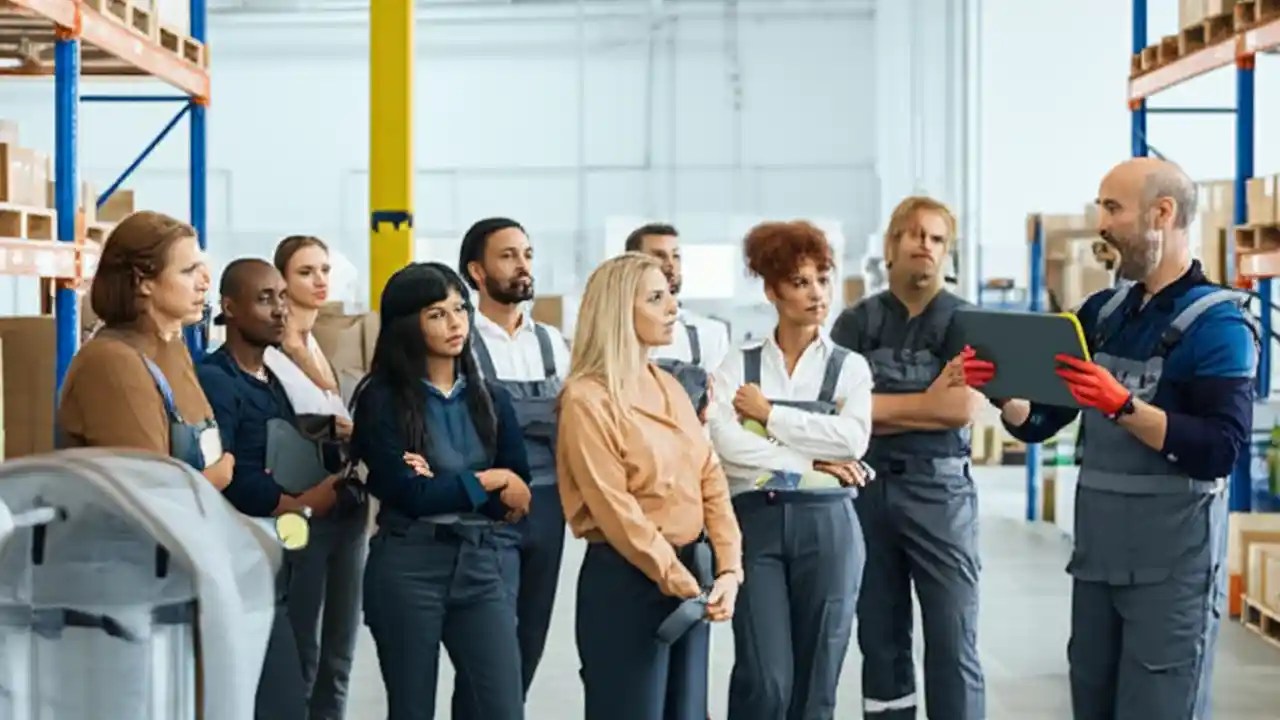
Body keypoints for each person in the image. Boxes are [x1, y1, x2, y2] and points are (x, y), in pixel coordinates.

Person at [965, 158, 1258, 720]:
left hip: (1172, 571)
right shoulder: (1102, 314)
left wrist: (1122, 406)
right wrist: (1003, 392)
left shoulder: (1219, 323)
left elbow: (1221, 449)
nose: (1101, 222)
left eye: (1112, 208)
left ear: (1163, 214)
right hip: (1097, 561)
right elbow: (1041, 422)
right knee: (1092, 706)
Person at [557, 251, 743, 720]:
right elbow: (614, 508)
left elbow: (710, 479)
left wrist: (728, 572)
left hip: (689, 577)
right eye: (656, 298)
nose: (673, 308)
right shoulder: (587, 399)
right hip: (627, 581)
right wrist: (675, 578)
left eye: (670, 296)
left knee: (688, 711)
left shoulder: (671, 386)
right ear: (620, 309)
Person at [351, 262, 533, 720]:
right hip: (408, 567)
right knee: (412, 709)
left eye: (460, 309)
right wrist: (486, 479)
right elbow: (409, 495)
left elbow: (518, 493)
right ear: (406, 323)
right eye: (436, 314)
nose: (455, 324)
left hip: (481, 562)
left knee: (503, 706)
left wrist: (448, 483)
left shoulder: (492, 398)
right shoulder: (381, 398)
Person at [708, 221, 873, 720]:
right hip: (756, 524)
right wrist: (812, 463)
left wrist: (769, 416)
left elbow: (852, 439)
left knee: (818, 683)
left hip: (830, 526)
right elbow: (725, 444)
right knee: (765, 680)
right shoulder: (737, 364)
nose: (816, 293)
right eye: (800, 282)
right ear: (771, 290)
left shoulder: (850, 367)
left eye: (822, 279)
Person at [829, 196, 986, 720]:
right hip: (866, 494)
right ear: (891, 246)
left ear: (946, 254)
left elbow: (959, 408)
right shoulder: (855, 324)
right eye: (915, 234)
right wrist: (925, 403)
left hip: (941, 496)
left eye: (937, 239)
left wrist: (873, 409)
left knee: (951, 636)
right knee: (879, 636)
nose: (925, 245)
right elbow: (836, 411)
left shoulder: (966, 322)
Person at [196, 258, 344, 720]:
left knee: (306, 658)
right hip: (250, 543)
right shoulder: (217, 380)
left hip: (287, 542)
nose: (281, 309)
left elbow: (279, 438)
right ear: (229, 308)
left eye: (282, 297)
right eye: (265, 299)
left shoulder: (273, 376)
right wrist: (299, 507)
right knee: (274, 683)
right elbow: (234, 470)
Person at [457, 218, 571, 703]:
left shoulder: (552, 342)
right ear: (476, 272)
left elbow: (574, 422)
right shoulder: (460, 342)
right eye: (507, 255)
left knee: (528, 643)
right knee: (489, 652)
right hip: (488, 509)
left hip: (550, 508)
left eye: (526, 253)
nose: (522, 265)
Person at [57, 210, 233, 490]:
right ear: (143, 282)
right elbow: (149, 497)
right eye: (189, 271)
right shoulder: (111, 363)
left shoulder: (173, 348)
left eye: (202, 268)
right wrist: (216, 479)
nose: (205, 283)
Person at [269, 235, 366, 720]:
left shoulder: (315, 345)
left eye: (324, 269)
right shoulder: (271, 354)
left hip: (346, 505)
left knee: (340, 647)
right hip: (300, 509)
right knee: (301, 637)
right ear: (281, 282)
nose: (320, 279)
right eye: (306, 271)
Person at [626, 223, 731, 410]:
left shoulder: (709, 334)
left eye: (675, 256)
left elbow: (721, 409)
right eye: (659, 255)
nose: (670, 265)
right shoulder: (610, 330)